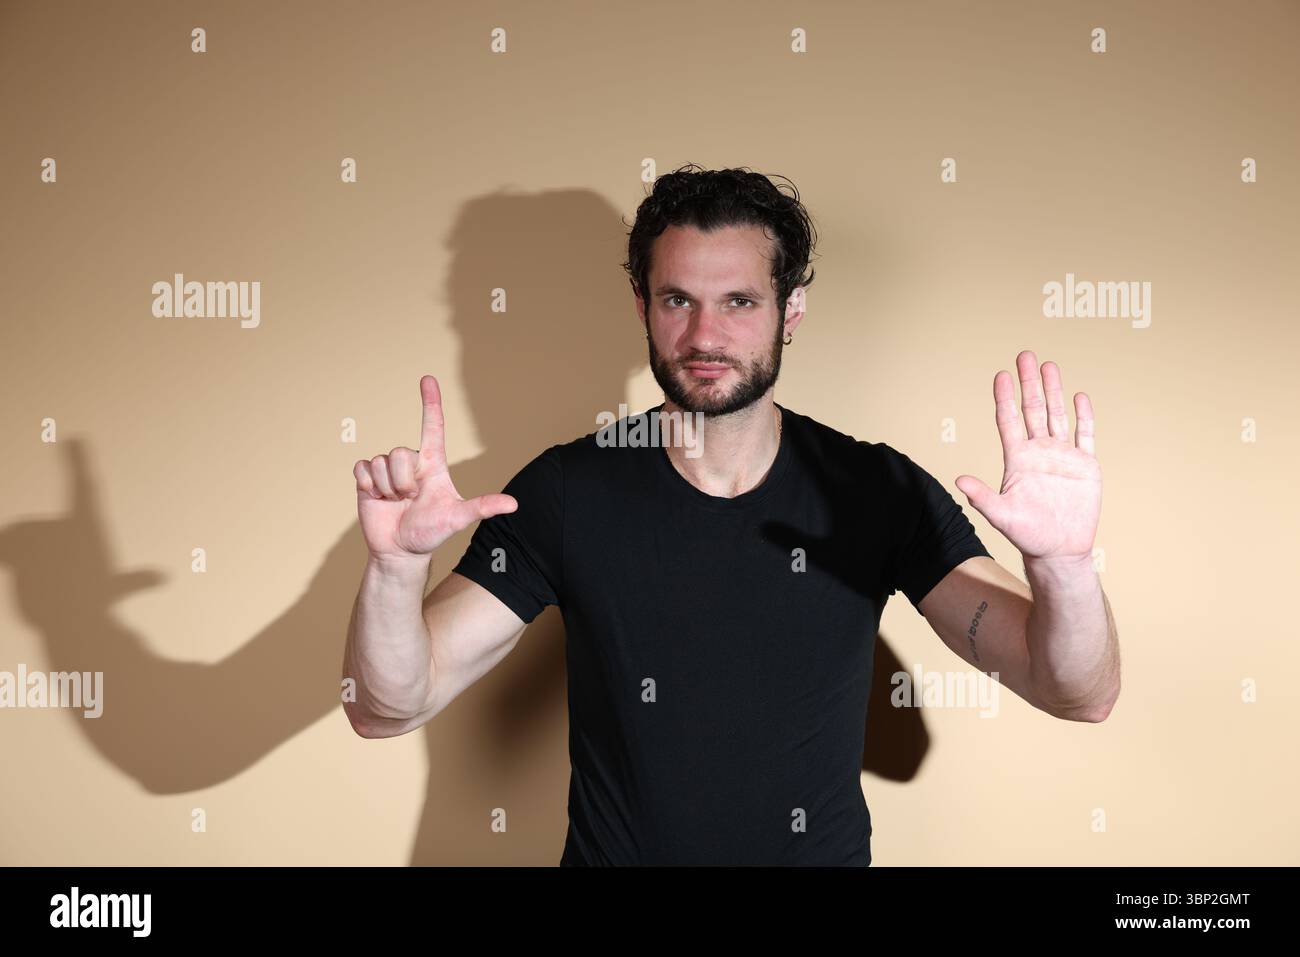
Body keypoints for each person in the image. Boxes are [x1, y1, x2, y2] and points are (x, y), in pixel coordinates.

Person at [342, 165, 1121, 866]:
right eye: (678, 299)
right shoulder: (565, 493)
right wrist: (393, 572)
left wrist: (1063, 571)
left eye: (740, 302)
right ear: (642, 305)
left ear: (791, 310)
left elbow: (1074, 691)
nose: (705, 335)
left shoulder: (875, 489)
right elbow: (387, 706)